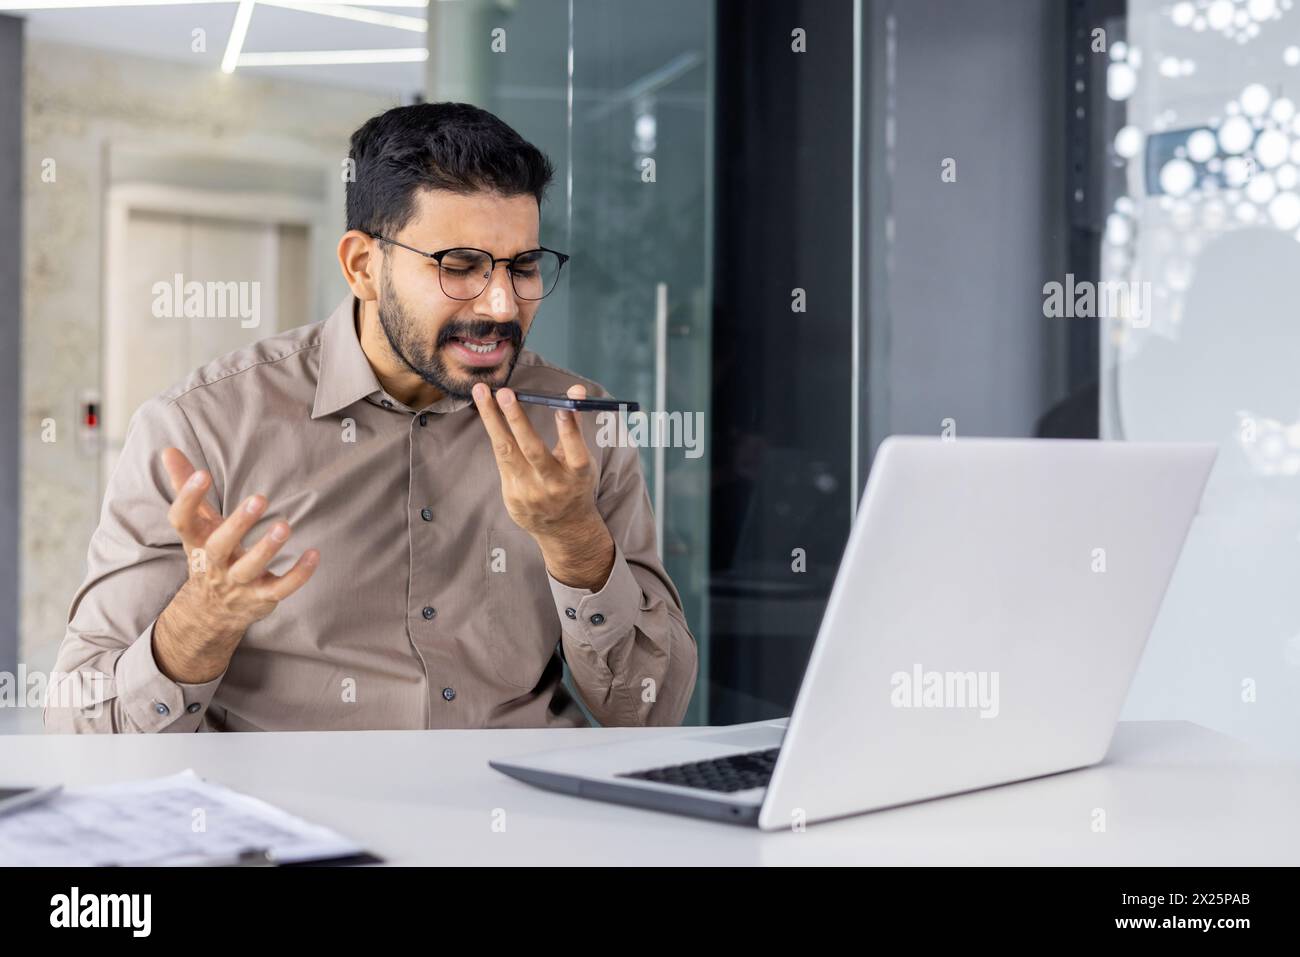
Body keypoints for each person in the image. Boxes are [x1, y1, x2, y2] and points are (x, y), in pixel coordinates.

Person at [45, 102, 698, 733]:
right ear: (364, 266)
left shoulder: (578, 429)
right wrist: (202, 619)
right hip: (297, 828)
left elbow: (649, 712)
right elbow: (83, 725)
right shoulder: (201, 428)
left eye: (522, 266)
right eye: (460, 266)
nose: (501, 304)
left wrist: (575, 541)